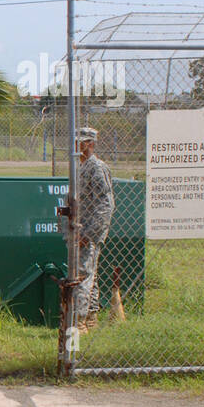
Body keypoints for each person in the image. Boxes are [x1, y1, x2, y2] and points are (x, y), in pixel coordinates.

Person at [74, 126, 115, 332]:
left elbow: (106, 205)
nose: (76, 145)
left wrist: (88, 233)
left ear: (90, 144)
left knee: (83, 275)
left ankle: (79, 321)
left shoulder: (97, 167)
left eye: (80, 141)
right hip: (80, 231)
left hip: (88, 233)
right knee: (90, 275)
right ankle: (90, 318)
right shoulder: (81, 167)